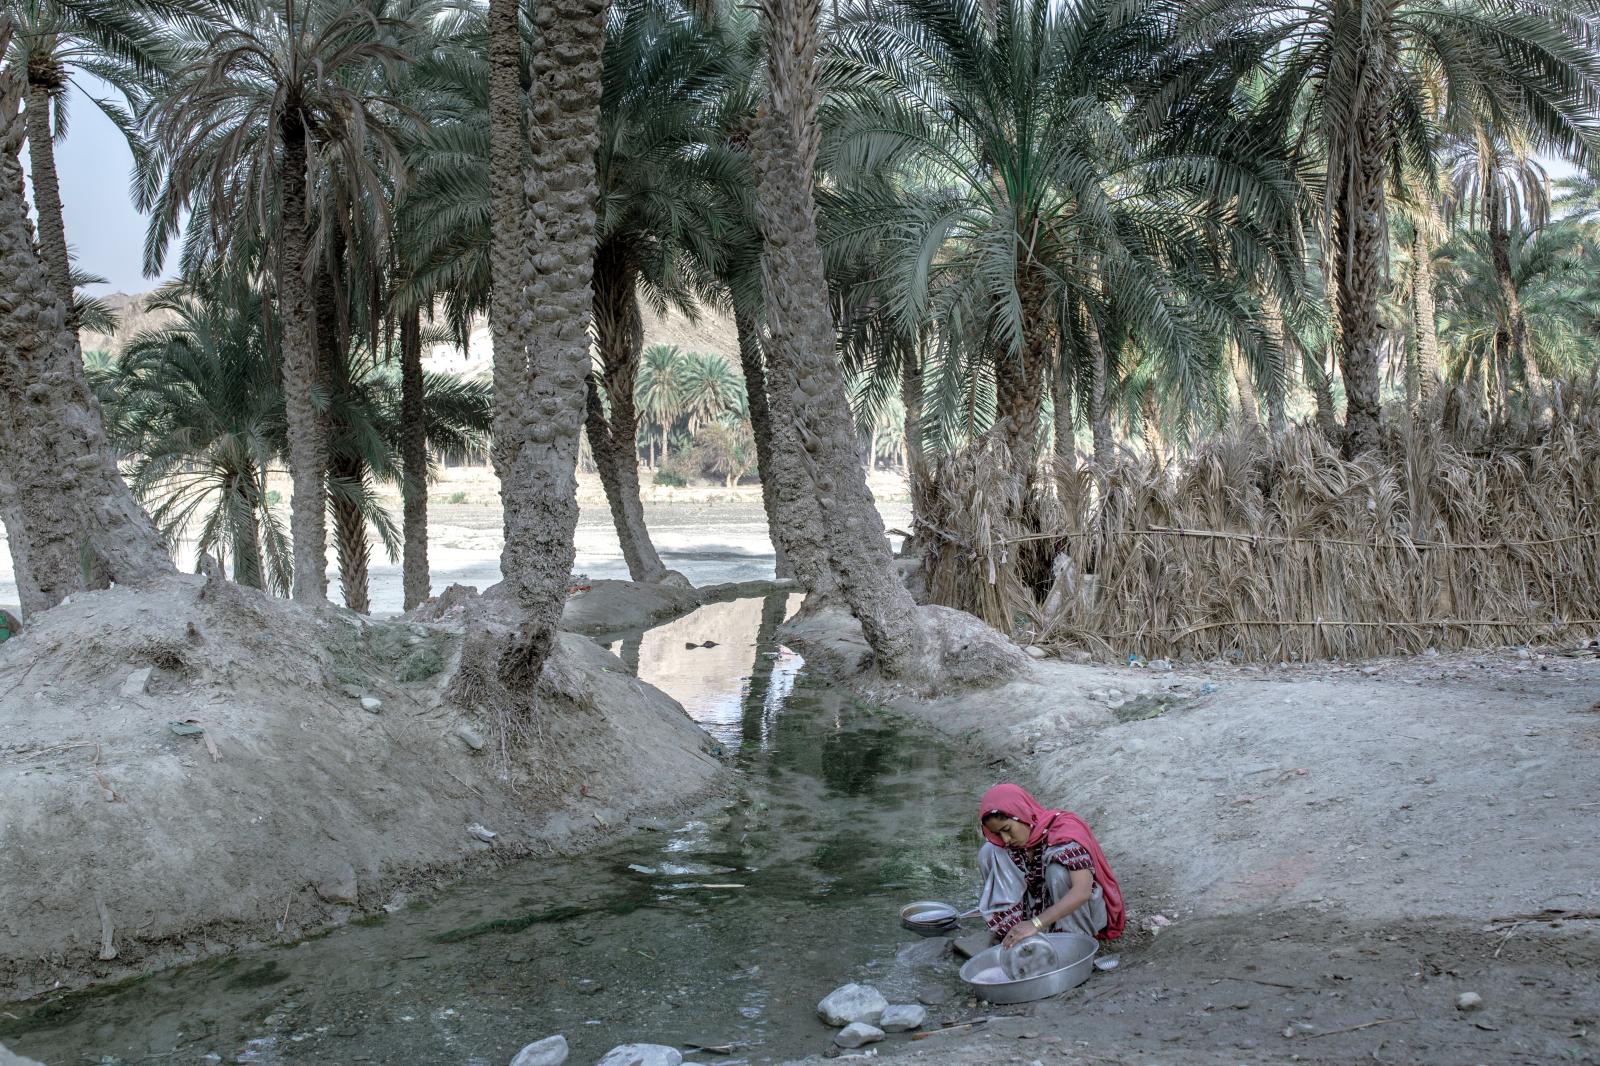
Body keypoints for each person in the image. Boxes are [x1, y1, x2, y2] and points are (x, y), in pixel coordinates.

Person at [977, 783, 1125, 947]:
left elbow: (1082, 891)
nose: (1005, 839)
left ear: (1022, 814)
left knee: (1058, 873)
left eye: (1007, 829)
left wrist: (1035, 924)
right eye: (997, 834)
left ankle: (1074, 944)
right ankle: (1015, 933)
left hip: (1079, 913)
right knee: (989, 852)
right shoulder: (1007, 846)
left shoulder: (1064, 831)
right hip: (1037, 916)